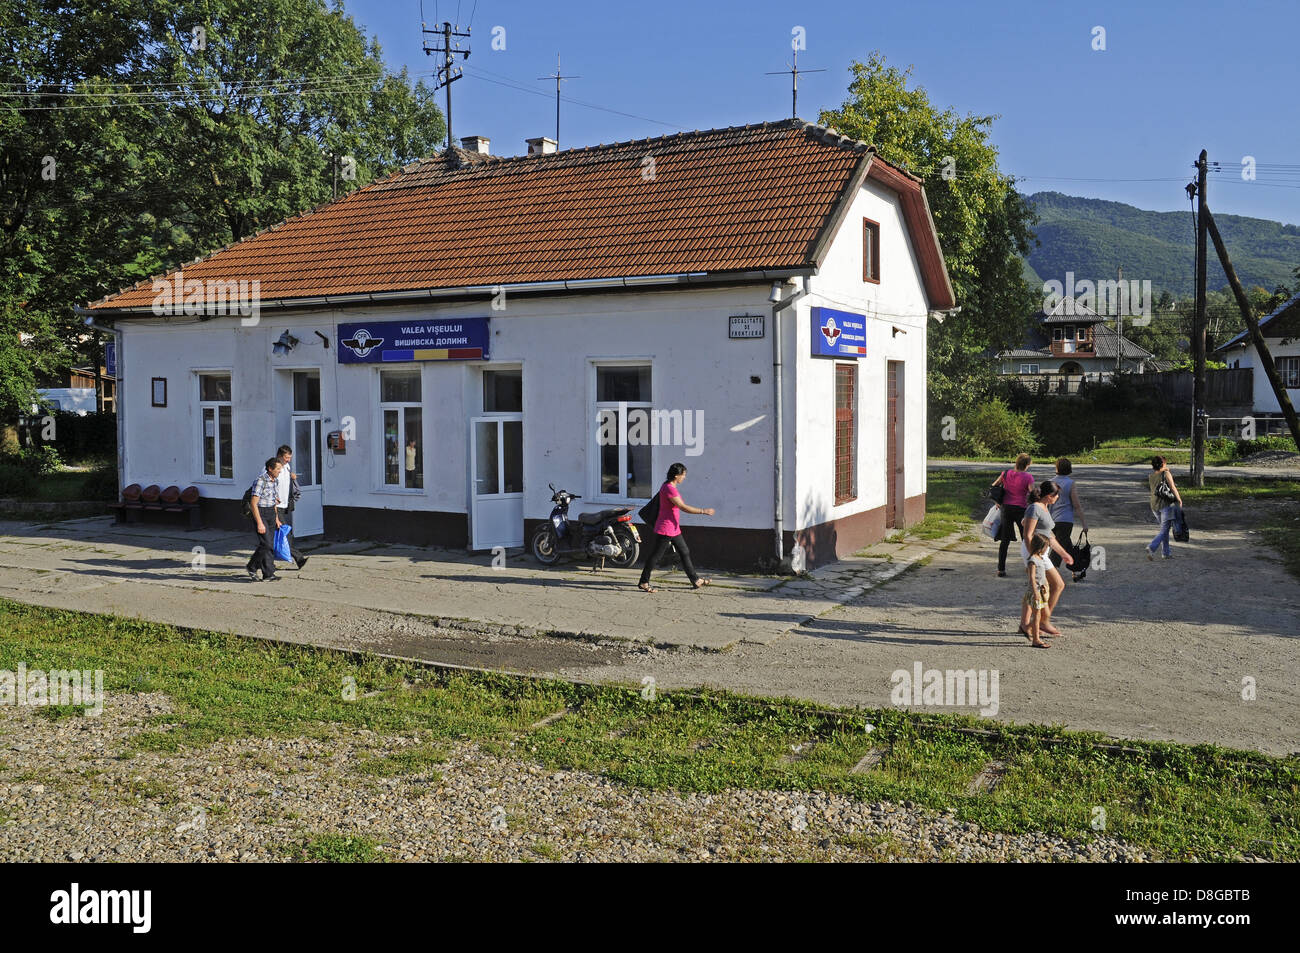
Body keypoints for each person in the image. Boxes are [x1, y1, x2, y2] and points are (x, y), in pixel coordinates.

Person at [638, 462, 714, 593]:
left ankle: (695, 580)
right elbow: (683, 507)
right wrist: (703, 511)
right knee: (655, 556)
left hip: (673, 528)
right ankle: (644, 582)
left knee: (684, 552)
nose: (684, 477)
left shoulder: (668, 485)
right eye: (683, 475)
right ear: (676, 475)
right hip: (665, 528)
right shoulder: (669, 488)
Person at [1020, 480, 1074, 636]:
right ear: (1050, 496)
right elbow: (1027, 534)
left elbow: (1049, 536)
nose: (1057, 499)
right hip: (1034, 552)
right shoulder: (1035, 508)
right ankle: (1043, 621)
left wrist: (1064, 554)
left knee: (1037, 587)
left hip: (1042, 551)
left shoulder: (1044, 507)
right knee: (1056, 585)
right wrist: (1034, 557)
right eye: (1056, 496)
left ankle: (1025, 624)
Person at [991, 453, 1035, 577]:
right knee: (1026, 538)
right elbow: (1032, 494)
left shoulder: (1005, 473)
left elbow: (993, 487)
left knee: (1004, 540)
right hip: (1021, 509)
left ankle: (1001, 569)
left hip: (1006, 509)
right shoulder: (1028, 477)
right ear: (1027, 465)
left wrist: (997, 502)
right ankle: (1029, 566)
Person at [1050, 457, 1089, 582]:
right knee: (1060, 546)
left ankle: (1076, 570)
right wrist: (1084, 523)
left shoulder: (1050, 482)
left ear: (1056, 468)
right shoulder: (1070, 483)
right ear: (1069, 469)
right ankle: (1051, 573)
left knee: (1066, 546)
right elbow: (1076, 505)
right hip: (1065, 520)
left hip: (1051, 520)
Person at [246, 457, 283, 582]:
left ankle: (268, 573)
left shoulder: (275, 481)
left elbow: (273, 502)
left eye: (280, 468)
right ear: (270, 469)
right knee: (266, 544)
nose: (280, 471)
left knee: (270, 545)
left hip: (271, 513)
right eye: (278, 469)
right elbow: (253, 503)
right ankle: (252, 566)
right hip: (260, 513)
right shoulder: (260, 481)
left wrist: (277, 518)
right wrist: (259, 522)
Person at [275, 445, 308, 570]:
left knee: (275, 536)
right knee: (285, 534)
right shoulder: (273, 467)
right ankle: (299, 559)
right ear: (279, 456)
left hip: (284, 505)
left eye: (290, 457)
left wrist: (291, 476)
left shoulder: (286, 467)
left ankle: (261, 563)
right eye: (286, 457)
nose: (288, 460)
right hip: (275, 506)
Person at [1147, 456, 1184, 560]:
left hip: (1154, 505)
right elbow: (1172, 487)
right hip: (1165, 505)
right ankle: (1151, 547)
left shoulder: (1151, 476)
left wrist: (1164, 469)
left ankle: (1166, 553)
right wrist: (1179, 499)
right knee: (1164, 530)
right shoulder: (1166, 473)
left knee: (1164, 529)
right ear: (1163, 464)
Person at [1019, 534, 1052, 648]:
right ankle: (1036, 639)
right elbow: (1032, 577)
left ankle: (1030, 631)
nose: (1047, 549)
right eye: (1046, 547)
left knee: (1039, 615)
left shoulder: (1040, 558)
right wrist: (1035, 592)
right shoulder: (1033, 560)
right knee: (1037, 615)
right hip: (1035, 592)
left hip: (1040, 591)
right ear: (1040, 547)